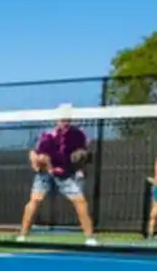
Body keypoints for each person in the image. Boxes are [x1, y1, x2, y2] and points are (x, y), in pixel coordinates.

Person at [17, 104, 98, 246]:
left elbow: (84, 153)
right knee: (35, 201)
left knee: (80, 201)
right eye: (62, 120)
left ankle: (90, 237)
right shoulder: (47, 135)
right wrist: (41, 165)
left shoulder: (78, 135)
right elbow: (38, 155)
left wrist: (80, 158)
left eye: (67, 120)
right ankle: (22, 235)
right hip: (45, 174)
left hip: (66, 174)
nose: (65, 123)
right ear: (57, 120)